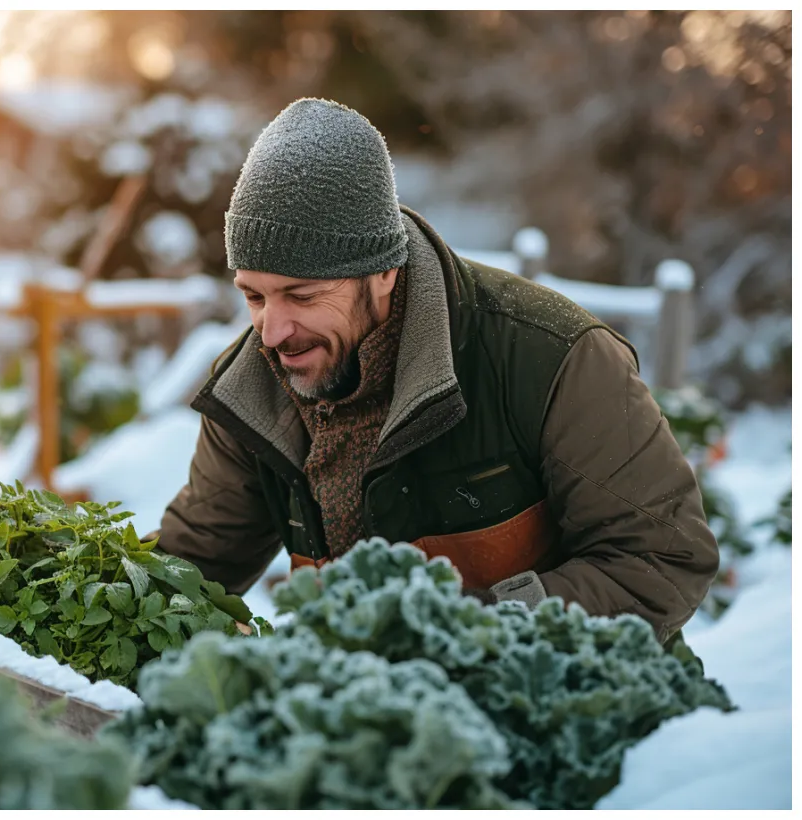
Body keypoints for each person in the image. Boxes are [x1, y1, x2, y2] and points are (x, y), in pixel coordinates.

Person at [149, 98, 718, 645]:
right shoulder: (254, 384)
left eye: (302, 295)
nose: (272, 332)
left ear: (384, 274)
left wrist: (463, 634)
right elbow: (192, 565)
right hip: (368, 725)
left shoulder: (554, 357)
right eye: (254, 297)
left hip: (583, 715)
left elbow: (662, 560)